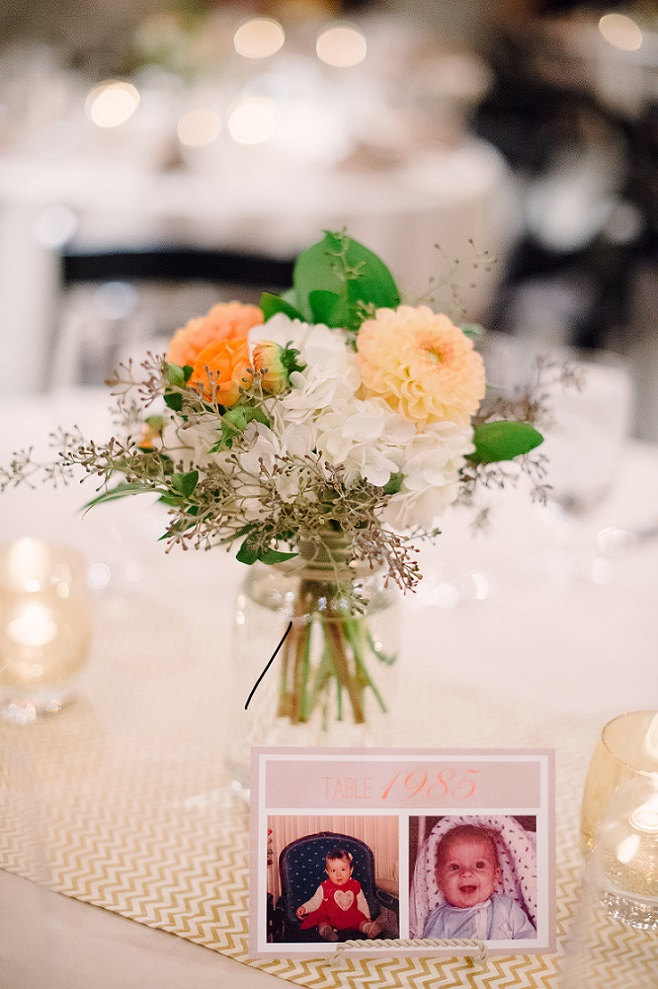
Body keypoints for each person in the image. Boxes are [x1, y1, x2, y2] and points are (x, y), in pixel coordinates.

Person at [422, 824, 536, 940]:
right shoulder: (440, 918)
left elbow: (528, 939)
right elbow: (429, 952)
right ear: (440, 880)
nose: (467, 873)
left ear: (495, 876)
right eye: (455, 867)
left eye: (479, 865)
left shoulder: (508, 908)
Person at [296, 847, 382, 942]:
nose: (338, 874)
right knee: (322, 920)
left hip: (350, 916)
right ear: (327, 872)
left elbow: (362, 903)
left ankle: (369, 928)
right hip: (330, 916)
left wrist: (368, 917)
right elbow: (315, 902)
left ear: (351, 870)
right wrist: (304, 908)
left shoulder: (355, 886)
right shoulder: (324, 887)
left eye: (343, 869)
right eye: (333, 871)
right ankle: (326, 931)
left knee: (361, 920)